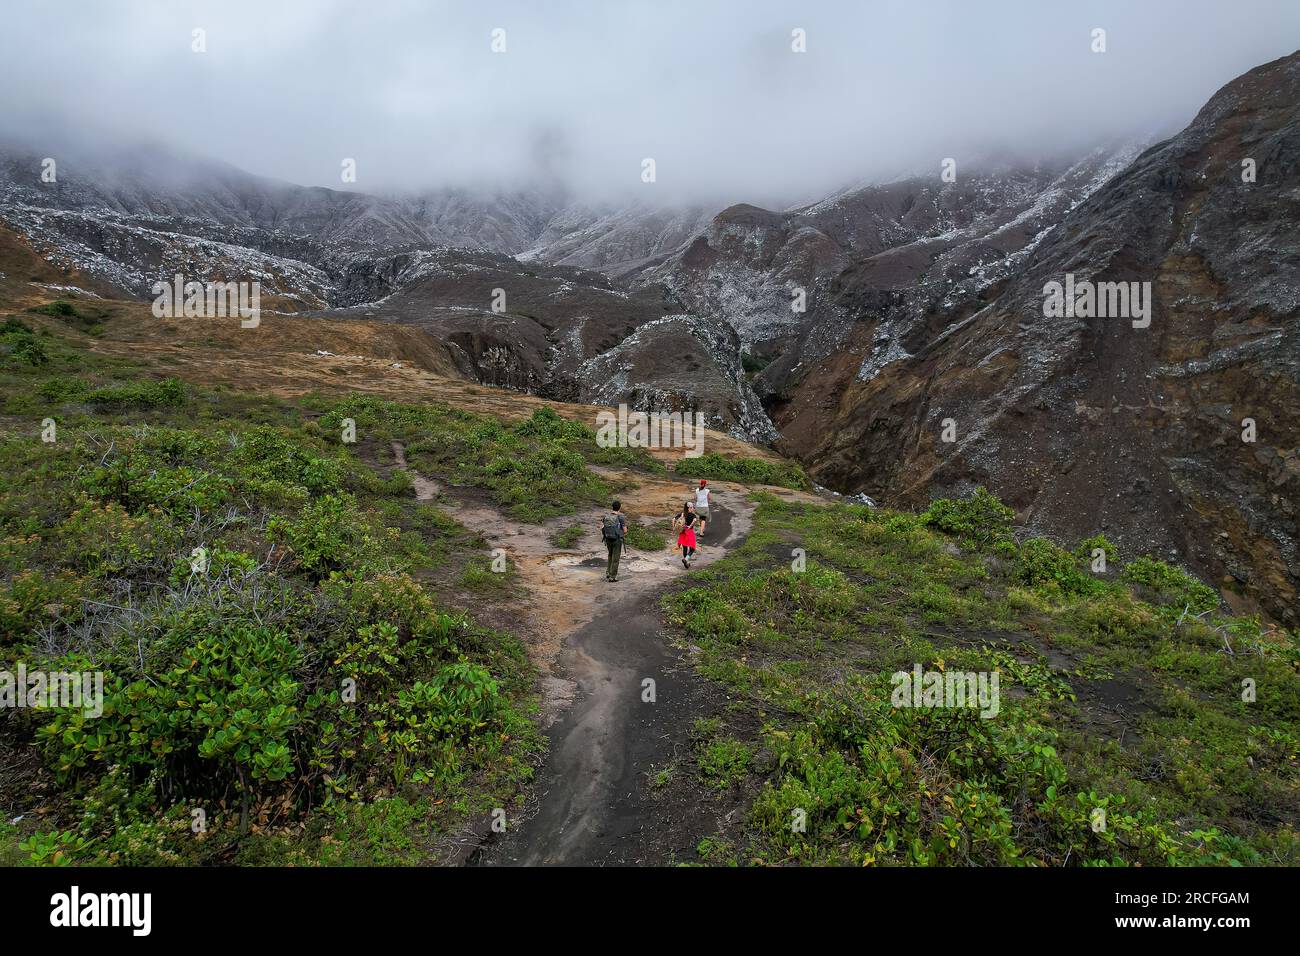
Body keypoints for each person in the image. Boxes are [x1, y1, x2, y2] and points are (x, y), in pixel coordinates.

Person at [600, 500, 627, 582]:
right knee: (616, 558)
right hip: (617, 539)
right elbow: (625, 530)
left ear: (612, 507)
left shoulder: (606, 517)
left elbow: (602, 527)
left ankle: (608, 573)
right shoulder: (620, 517)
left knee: (610, 555)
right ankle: (613, 577)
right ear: (619, 507)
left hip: (608, 538)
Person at [673, 501, 699, 569]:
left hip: (682, 532)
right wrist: (690, 526)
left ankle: (686, 563)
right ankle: (686, 559)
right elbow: (695, 520)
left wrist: (674, 527)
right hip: (689, 532)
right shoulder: (693, 515)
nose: (693, 508)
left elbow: (673, 519)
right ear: (690, 508)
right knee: (692, 548)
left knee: (685, 548)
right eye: (693, 507)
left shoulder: (682, 514)